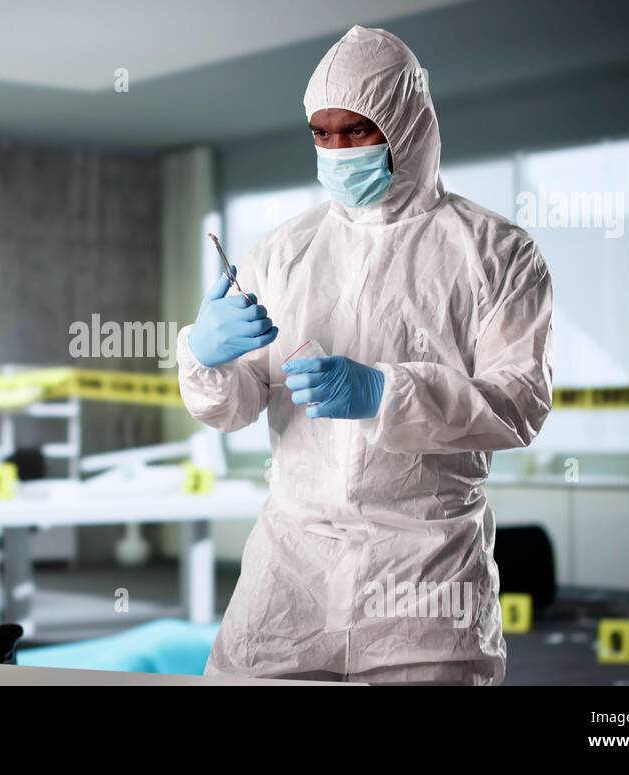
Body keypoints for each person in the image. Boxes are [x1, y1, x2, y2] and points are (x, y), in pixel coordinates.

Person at [177, 25, 553, 684]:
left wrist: (387, 392)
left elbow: (520, 403)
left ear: (406, 125)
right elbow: (234, 408)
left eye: (355, 131)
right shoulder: (283, 251)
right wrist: (205, 355)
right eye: (321, 134)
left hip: (426, 572)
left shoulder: (495, 252)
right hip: (291, 567)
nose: (337, 150)